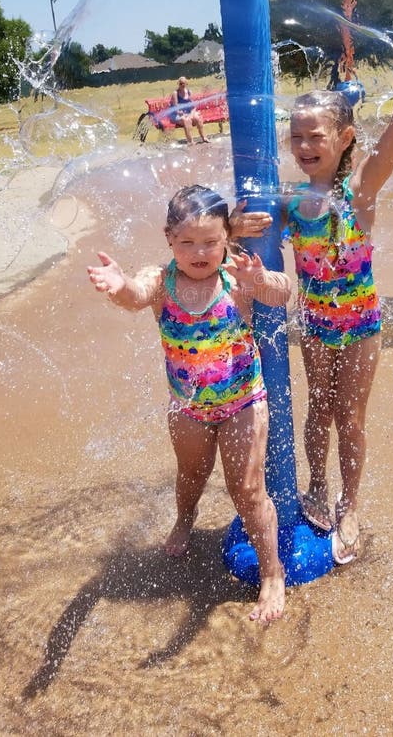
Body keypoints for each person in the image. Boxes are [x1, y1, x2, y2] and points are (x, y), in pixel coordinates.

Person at [233, 0, 393, 565]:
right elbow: (237, 239)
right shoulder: (289, 201)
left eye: (315, 137)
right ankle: (316, 487)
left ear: (344, 136)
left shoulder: (363, 189)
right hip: (318, 326)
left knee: (351, 417)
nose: (304, 148)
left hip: (363, 323)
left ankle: (351, 505)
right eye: (296, 138)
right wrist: (234, 223)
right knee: (317, 412)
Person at [87, 185, 291, 622]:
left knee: (248, 488)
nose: (200, 252)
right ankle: (186, 516)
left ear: (226, 239)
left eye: (211, 242)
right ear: (168, 240)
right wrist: (120, 285)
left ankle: (273, 574)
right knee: (191, 474)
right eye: (187, 243)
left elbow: (283, 291)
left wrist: (262, 280)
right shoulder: (161, 281)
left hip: (243, 402)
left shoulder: (236, 276)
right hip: (188, 407)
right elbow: (134, 296)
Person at [171, 76, 210, 145]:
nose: (182, 85)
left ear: (186, 84)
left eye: (184, 83)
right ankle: (190, 141)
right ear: (178, 84)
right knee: (186, 120)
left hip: (188, 113)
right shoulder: (175, 93)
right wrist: (180, 112)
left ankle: (204, 137)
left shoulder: (189, 92)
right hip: (176, 114)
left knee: (198, 118)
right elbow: (175, 107)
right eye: (180, 83)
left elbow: (193, 106)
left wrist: (191, 115)